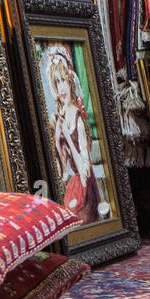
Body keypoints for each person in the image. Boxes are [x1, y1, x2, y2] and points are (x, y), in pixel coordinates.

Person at [46, 47, 104, 223]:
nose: (60, 87)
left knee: (82, 219)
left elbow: (84, 166)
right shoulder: (58, 116)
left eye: (63, 80)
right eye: (56, 82)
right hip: (73, 181)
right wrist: (57, 139)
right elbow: (63, 168)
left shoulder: (78, 116)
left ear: (71, 81)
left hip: (85, 181)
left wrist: (68, 139)